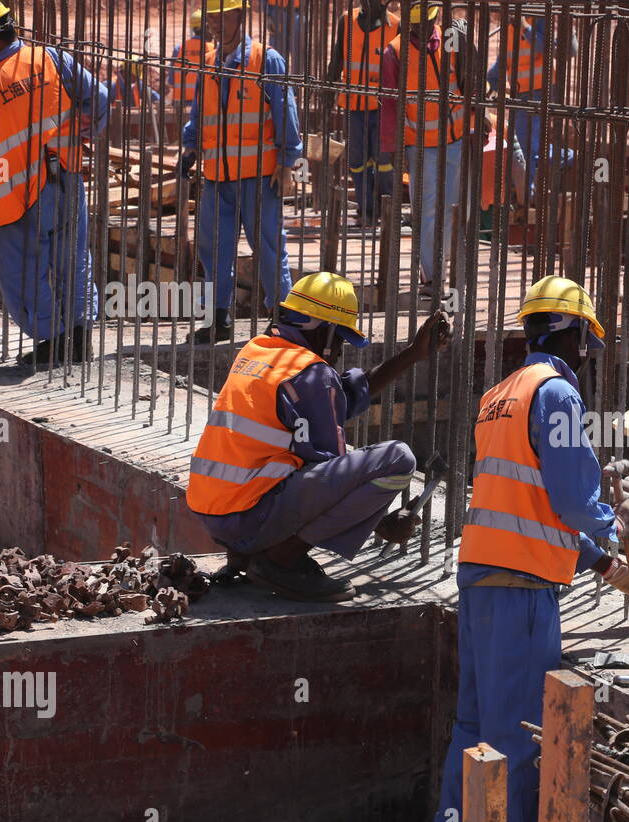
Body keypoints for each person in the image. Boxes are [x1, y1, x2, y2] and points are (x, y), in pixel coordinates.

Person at [423, 276, 629, 822]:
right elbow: (572, 495)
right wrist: (617, 523)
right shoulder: (556, 394)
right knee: (519, 736)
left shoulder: (498, 396)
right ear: (577, 336)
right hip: (521, 593)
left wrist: (605, 565)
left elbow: (526, 505)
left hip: (482, 579)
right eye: (586, 342)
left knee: (473, 727)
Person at [186, 271, 451, 601]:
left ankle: (247, 557)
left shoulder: (258, 351)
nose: (340, 350)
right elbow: (336, 477)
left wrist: (413, 353)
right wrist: (381, 523)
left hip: (216, 514)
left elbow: (343, 396)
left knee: (287, 462)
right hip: (249, 518)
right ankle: (281, 559)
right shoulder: (311, 374)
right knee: (398, 458)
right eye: (339, 338)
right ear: (324, 331)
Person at [0, 0, 107, 365]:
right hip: (67, 177)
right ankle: (80, 336)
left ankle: (52, 341)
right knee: (74, 260)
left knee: (22, 272)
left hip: (20, 193)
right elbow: (98, 97)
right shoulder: (52, 58)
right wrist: (85, 131)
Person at [181, 0, 301, 344]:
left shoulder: (266, 60)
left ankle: (282, 318)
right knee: (213, 249)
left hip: (259, 176)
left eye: (221, 17)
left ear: (240, 16)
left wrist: (287, 163)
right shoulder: (208, 62)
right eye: (211, 18)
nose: (214, 25)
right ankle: (219, 319)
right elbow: (198, 112)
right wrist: (191, 145)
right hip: (218, 176)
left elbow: (285, 112)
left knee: (268, 246)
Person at [378, 1, 480, 300]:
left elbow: (469, 82)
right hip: (420, 146)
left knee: (454, 209)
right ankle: (432, 277)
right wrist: (394, 148)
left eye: (425, 25)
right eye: (415, 27)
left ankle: (452, 272)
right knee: (425, 212)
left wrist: (479, 116)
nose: (421, 31)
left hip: (456, 140)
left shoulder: (453, 40)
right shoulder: (394, 52)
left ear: (434, 19)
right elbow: (390, 105)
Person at [485, 13, 575, 199]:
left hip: (540, 90)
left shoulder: (539, 17)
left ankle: (527, 196)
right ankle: (571, 157)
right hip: (521, 94)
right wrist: (489, 82)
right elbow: (505, 60)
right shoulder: (508, 26)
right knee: (522, 146)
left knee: (526, 147)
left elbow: (548, 49)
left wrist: (525, 27)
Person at [327, 0, 399, 227]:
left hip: (382, 108)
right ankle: (365, 208)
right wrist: (327, 93)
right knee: (357, 161)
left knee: (383, 161)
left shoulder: (396, 26)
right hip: (353, 105)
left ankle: (385, 208)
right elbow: (337, 58)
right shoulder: (346, 21)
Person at [166, 9, 215, 106]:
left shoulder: (179, 49)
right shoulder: (212, 49)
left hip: (180, 103)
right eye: (210, 27)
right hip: (203, 102)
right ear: (205, 28)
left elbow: (170, 80)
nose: (213, 32)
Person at [261, 0, 304, 77]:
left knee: (298, 54)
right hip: (277, 13)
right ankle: (277, 84)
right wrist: (267, 14)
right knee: (277, 54)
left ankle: (297, 86)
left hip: (298, 12)